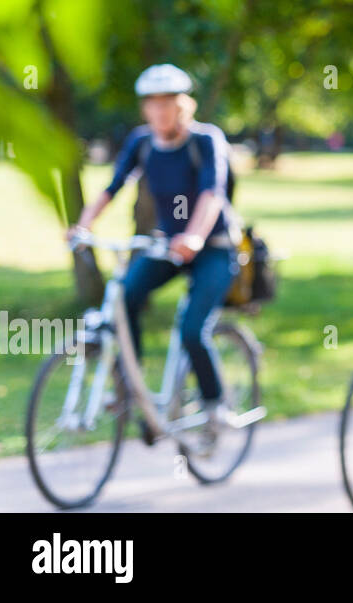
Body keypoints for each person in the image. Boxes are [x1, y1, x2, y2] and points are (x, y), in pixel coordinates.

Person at [68, 63, 241, 447]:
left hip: (212, 248)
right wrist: (83, 225)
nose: (161, 111)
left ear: (184, 105)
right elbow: (112, 187)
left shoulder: (206, 140)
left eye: (169, 103)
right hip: (166, 246)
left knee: (193, 329)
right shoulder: (142, 142)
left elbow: (213, 192)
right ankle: (132, 384)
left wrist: (195, 237)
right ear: (146, 108)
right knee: (125, 295)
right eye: (153, 104)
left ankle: (214, 405)